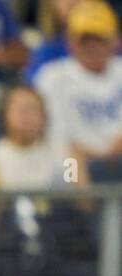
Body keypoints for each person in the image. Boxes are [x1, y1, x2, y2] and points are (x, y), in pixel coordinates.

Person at [35, 0, 122, 180]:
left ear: (114, 41)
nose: (92, 47)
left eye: (99, 39)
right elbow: (58, 142)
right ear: (70, 42)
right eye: (84, 40)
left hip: (118, 164)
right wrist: (76, 182)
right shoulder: (52, 77)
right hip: (73, 166)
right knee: (69, 179)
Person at [0, 84, 66, 187]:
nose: (26, 116)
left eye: (33, 109)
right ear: (4, 115)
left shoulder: (64, 153)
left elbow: (76, 194)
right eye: (20, 110)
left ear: (44, 115)